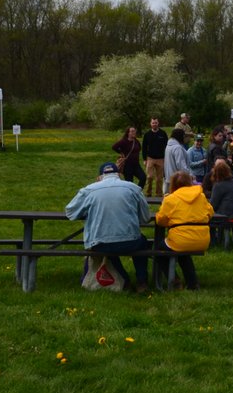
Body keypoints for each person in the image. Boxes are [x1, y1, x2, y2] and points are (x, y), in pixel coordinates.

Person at [65, 161, 152, 292]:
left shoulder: (89, 190)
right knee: (142, 242)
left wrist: (89, 213)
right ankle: (142, 281)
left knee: (109, 246)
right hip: (130, 241)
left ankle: (124, 280)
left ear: (99, 177)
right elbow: (145, 218)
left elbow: (70, 212)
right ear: (118, 175)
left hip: (99, 242)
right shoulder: (133, 188)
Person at [155, 171, 212, 290]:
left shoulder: (170, 199)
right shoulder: (201, 196)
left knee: (159, 252)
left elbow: (160, 220)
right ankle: (192, 283)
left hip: (180, 239)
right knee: (183, 252)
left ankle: (175, 282)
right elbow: (210, 212)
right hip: (202, 239)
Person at [209, 159, 233, 243]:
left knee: (208, 217)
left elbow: (213, 205)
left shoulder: (218, 185)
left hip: (226, 217)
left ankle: (213, 240)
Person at [142, 117, 168, 197]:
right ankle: (148, 193)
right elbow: (144, 147)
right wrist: (144, 159)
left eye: (156, 123)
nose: (154, 124)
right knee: (149, 177)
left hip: (161, 159)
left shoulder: (163, 134)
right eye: (153, 123)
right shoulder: (147, 134)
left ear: (158, 123)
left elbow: (167, 146)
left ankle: (159, 194)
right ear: (150, 124)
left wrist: (166, 158)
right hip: (150, 158)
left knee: (159, 179)